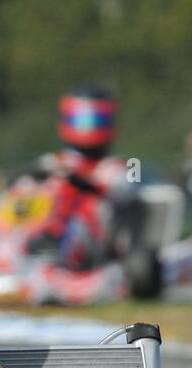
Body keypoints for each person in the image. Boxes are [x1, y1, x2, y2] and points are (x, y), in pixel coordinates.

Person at [20, 86, 137, 269]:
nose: (87, 127)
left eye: (94, 120)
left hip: (94, 237)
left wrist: (78, 180)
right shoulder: (54, 161)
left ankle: (60, 252)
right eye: (81, 120)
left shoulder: (120, 166)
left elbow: (123, 194)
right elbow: (22, 186)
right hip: (45, 226)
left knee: (87, 210)